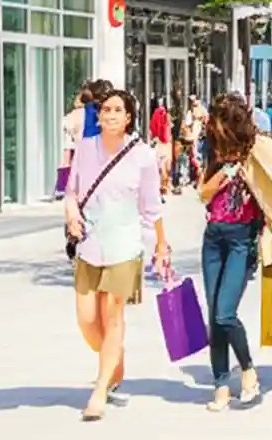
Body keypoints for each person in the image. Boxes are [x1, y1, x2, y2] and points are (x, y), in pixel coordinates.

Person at [64, 89, 168, 421]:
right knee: (86, 320)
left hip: (125, 246)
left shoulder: (142, 156)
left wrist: (162, 246)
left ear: (128, 118)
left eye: (117, 110)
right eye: (105, 109)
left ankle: (99, 391)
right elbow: (71, 190)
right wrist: (70, 214)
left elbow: (152, 207)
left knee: (113, 316)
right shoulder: (85, 148)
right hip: (89, 244)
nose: (110, 114)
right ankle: (114, 357)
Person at [197, 94, 263, 411]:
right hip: (214, 237)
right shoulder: (213, 151)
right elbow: (202, 194)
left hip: (242, 239)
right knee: (214, 316)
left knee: (225, 312)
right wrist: (223, 174)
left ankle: (248, 370)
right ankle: (221, 383)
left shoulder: (255, 152)